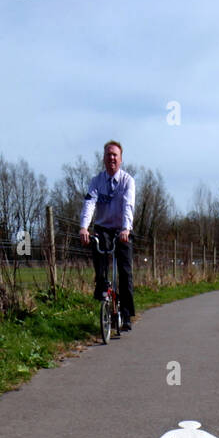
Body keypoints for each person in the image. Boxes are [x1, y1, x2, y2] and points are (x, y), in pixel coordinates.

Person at [79, 141, 136, 330]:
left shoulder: (127, 181)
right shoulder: (96, 181)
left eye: (115, 155)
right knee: (99, 251)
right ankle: (102, 287)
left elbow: (128, 206)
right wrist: (84, 227)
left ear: (120, 159)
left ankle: (126, 314)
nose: (111, 158)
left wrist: (126, 229)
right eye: (108, 154)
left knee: (125, 272)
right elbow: (90, 203)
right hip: (103, 227)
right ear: (103, 158)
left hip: (122, 229)